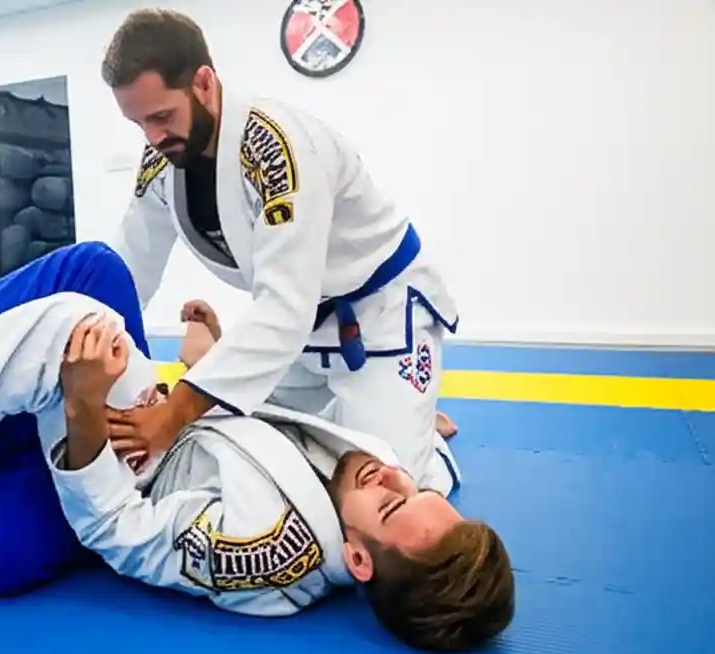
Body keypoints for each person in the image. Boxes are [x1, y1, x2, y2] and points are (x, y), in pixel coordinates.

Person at [0, 243, 513, 652]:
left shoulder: (270, 550)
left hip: (115, 471)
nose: (391, 477)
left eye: (394, 503)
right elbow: (278, 410)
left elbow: (123, 536)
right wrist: (206, 352)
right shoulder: (394, 467)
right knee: (89, 280)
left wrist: (84, 405)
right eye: (418, 488)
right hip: (159, 419)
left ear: (362, 560)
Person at [98, 8, 461, 495]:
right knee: (232, 438)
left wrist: (175, 411)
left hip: (381, 314)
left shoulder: (278, 146)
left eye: (162, 116)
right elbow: (130, 269)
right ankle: (396, 413)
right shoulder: (162, 160)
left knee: (386, 491)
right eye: (138, 123)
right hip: (304, 332)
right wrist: (95, 356)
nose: (153, 137)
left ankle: (420, 441)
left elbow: (282, 306)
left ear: (204, 83)